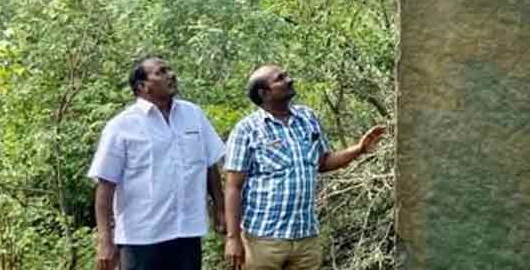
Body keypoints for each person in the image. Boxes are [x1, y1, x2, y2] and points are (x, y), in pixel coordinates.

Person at [224, 64, 386, 270]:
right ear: (263, 93)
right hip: (263, 240)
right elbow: (233, 187)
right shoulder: (247, 129)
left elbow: (323, 162)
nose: (289, 79)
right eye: (280, 78)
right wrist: (233, 238)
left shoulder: (307, 118)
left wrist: (360, 149)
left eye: (286, 75)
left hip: (306, 237)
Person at [88, 56, 226, 270]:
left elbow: (209, 164)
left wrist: (220, 208)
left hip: (187, 232)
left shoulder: (193, 115)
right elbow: (105, 186)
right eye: (160, 72)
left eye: (169, 69)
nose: (171, 75)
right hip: (141, 238)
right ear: (143, 86)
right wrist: (105, 240)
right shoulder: (122, 126)